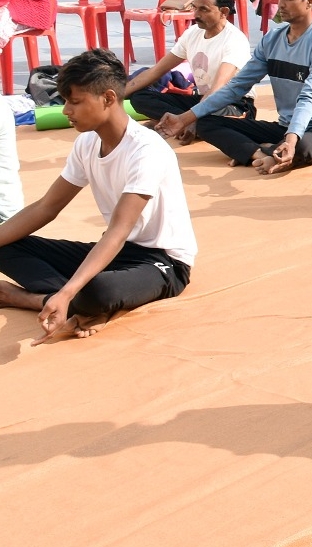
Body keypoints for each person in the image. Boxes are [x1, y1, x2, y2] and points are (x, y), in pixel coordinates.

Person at [0, 49, 196, 343]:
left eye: (75, 102)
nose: (66, 110)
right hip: (117, 253)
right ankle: (75, 304)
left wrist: (67, 291)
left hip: (162, 262)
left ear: (107, 98)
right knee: (6, 243)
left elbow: (117, 231)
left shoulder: (147, 150)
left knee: (99, 291)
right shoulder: (86, 144)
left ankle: (33, 299)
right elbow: (46, 207)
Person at [156, 0, 312, 173]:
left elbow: (310, 96)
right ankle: (261, 154)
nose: (280, 4)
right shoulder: (272, 39)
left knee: (303, 147)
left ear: (310, 1)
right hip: (284, 127)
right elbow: (236, 86)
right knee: (206, 123)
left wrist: (290, 140)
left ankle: (272, 151)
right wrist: (185, 118)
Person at [125, 0, 252, 125]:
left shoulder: (235, 40)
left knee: (209, 121)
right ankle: (187, 123)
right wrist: (118, 96)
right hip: (204, 99)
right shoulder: (192, 34)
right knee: (140, 98)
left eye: (204, 9)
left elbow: (218, 88)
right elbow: (156, 71)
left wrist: (190, 117)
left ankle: (188, 123)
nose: (196, 14)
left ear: (224, 12)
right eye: (195, 7)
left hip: (234, 105)